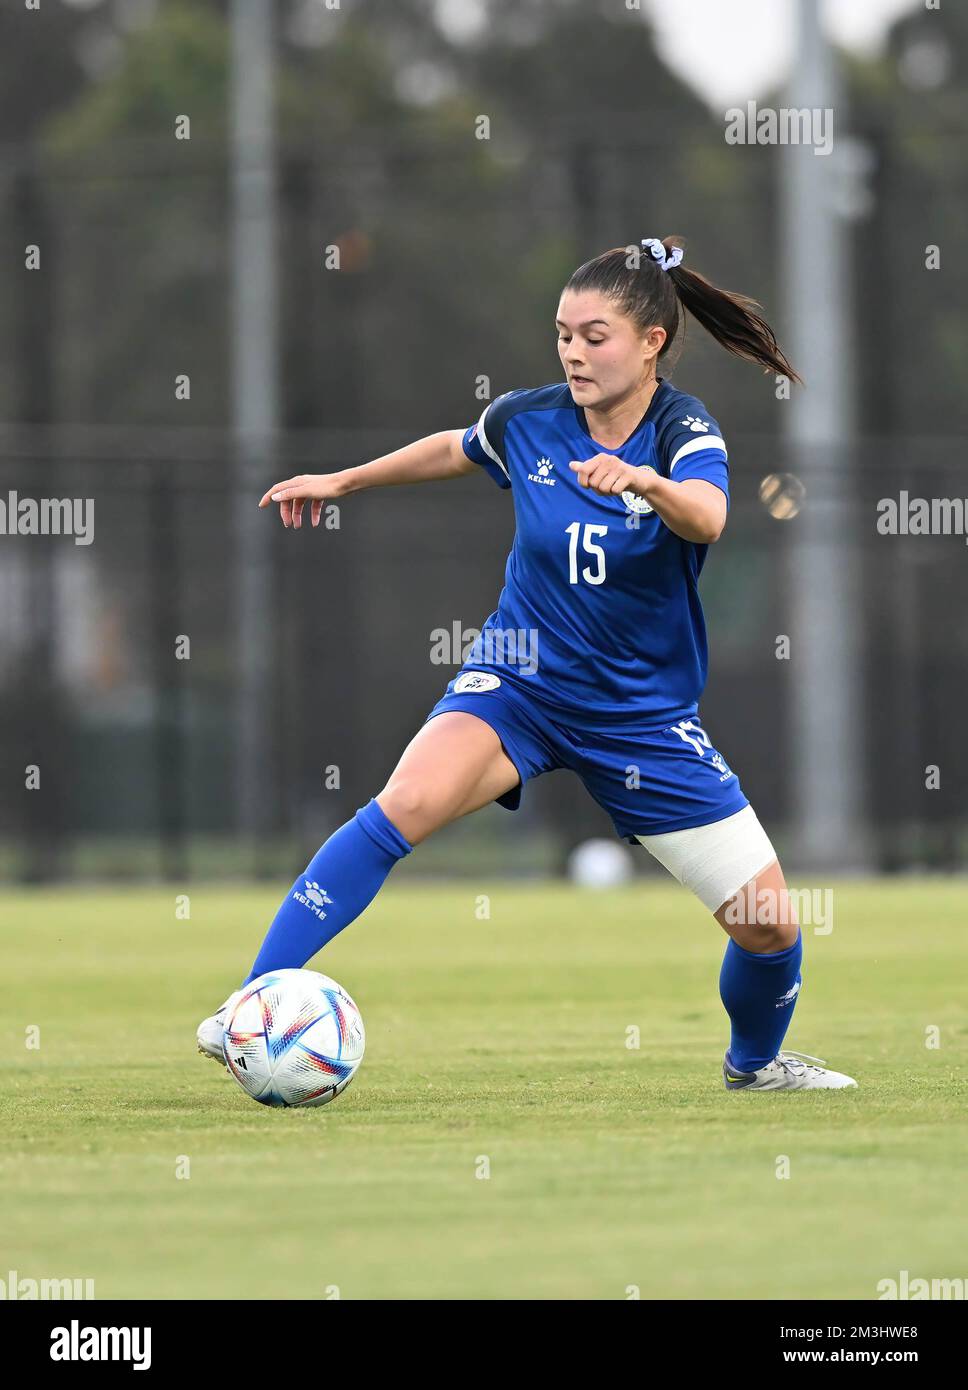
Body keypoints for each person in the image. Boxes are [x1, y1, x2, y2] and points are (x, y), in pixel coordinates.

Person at [198, 235, 856, 1092]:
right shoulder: (528, 419)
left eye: (595, 336)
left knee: (770, 926)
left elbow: (709, 515)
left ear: (652, 341)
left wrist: (644, 483)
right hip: (519, 681)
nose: (574, 354)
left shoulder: (681, 428)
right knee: (405, 804)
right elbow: (453, 447)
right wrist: (344, 481)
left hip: (640, 719)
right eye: (563, 335)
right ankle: (244, 1008)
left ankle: (756, 1066)